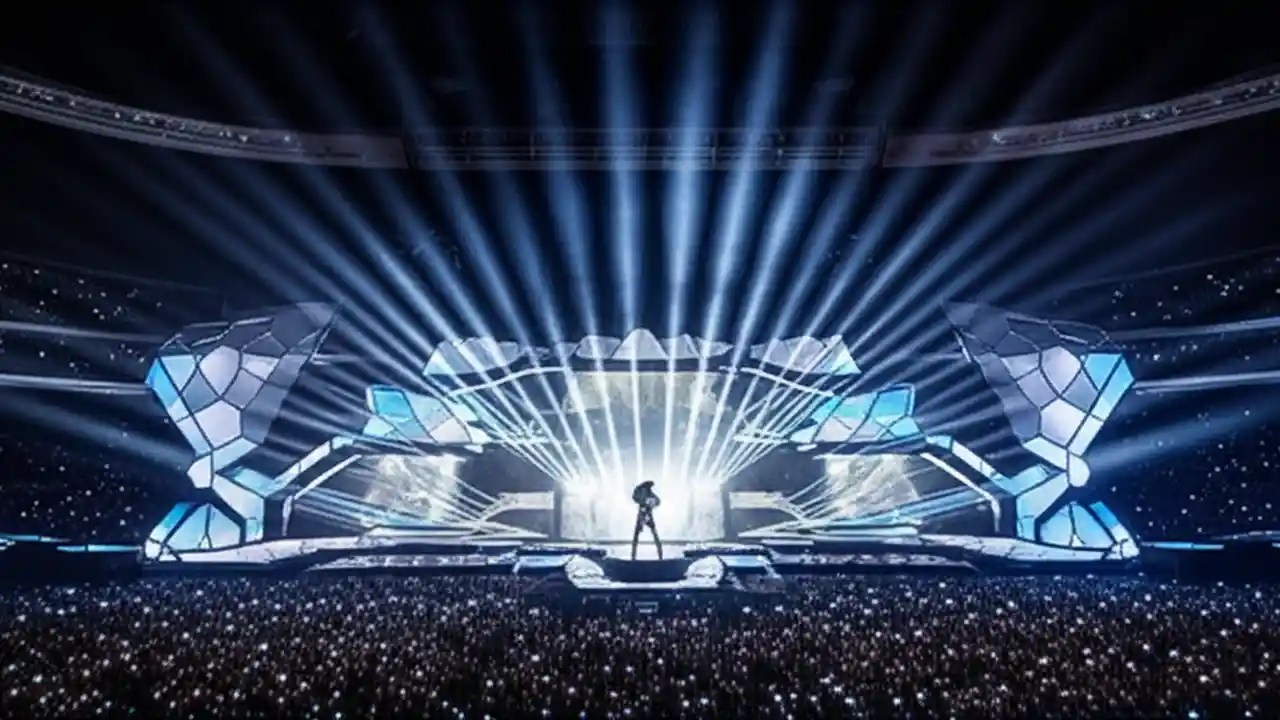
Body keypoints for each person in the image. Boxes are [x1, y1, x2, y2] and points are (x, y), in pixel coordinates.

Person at [630, 481, 662, 560]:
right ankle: (660, 554)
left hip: (645, 514)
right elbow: (657, 501)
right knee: (652, 534)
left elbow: (657, 501)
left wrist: (649, 502)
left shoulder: (645, 491)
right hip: (644, 515)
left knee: (637, 536)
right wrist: (648, 502)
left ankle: (633, 556)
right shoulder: (644, 491)